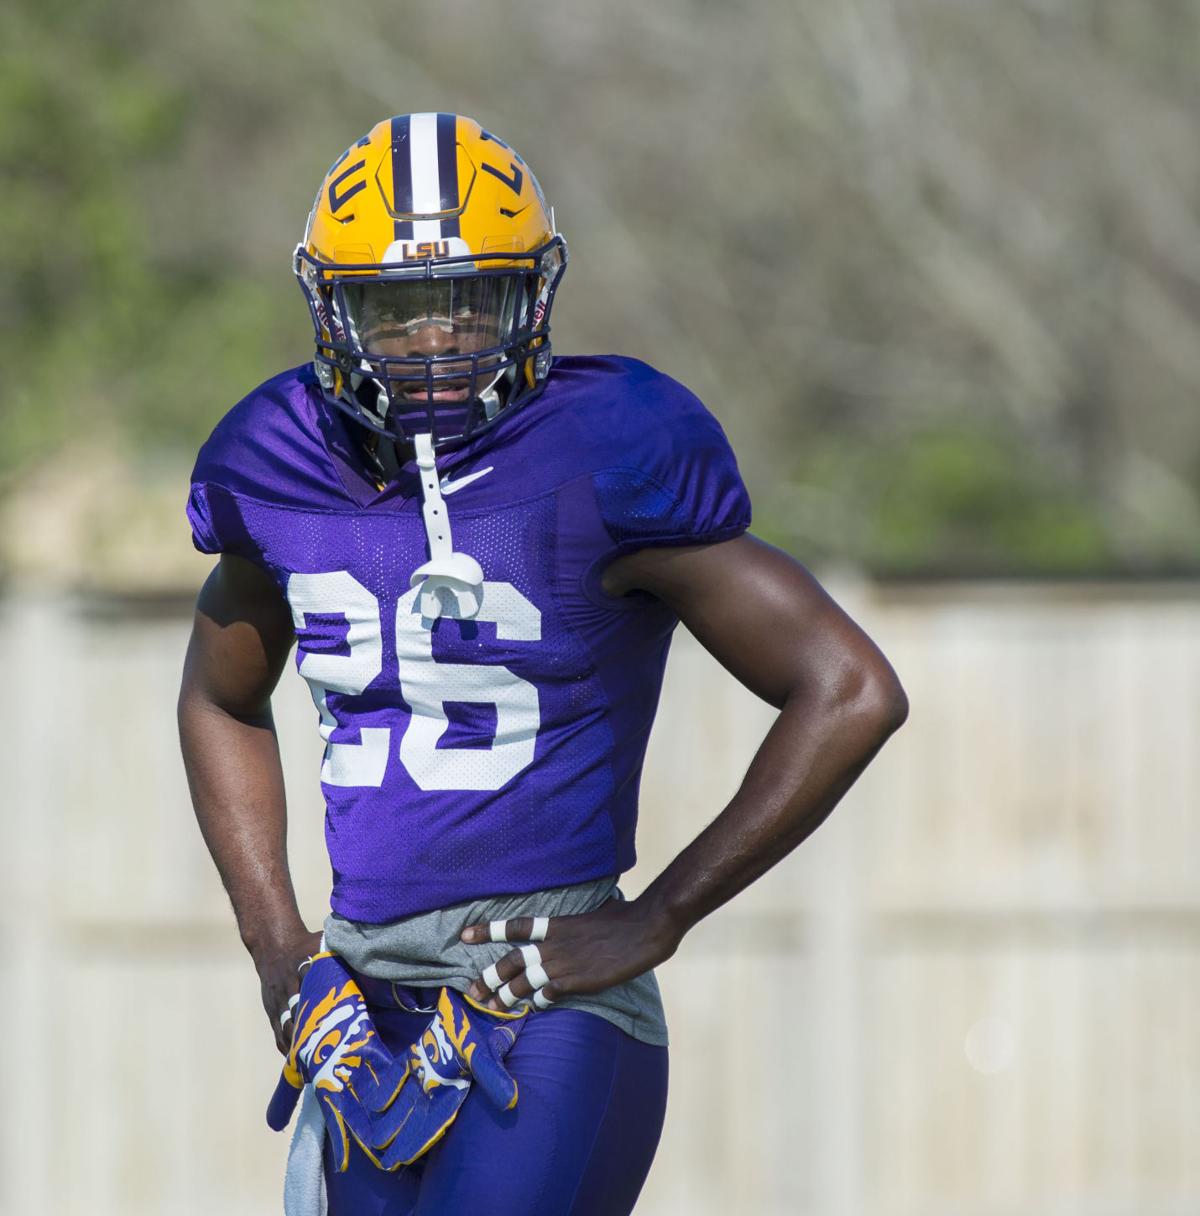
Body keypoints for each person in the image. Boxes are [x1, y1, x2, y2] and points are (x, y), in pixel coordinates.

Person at [177, 112, 908, 1215]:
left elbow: (850, 687)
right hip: (357, 1006)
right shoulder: (274, 460)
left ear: (534, 294)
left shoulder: (609, 448)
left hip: (538, 994)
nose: (432, 339)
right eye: (395, 307)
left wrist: (656, 914)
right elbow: (220, 697)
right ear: (330, 309)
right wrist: (280, 949)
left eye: (469, 301)